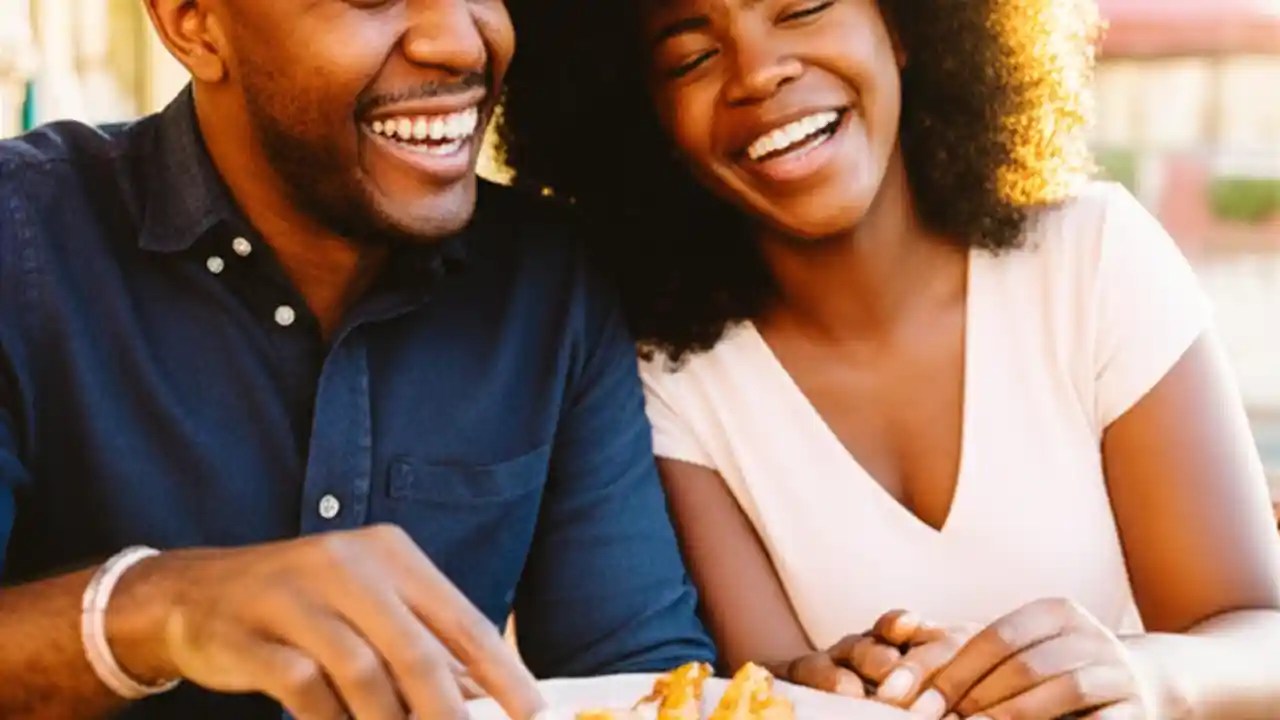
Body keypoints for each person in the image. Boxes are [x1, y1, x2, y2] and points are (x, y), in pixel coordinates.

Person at [499, 0, 1280, 717]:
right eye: (691, 59)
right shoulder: (670, 380)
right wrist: (822, 682)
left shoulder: (1094, 260)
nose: (758, 71)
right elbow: (765, 682)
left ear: (906, 26)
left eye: (801, 8)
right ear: (648, 118)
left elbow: (1258, 637)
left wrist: (1137, 676)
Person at [0, 0, 716, 717]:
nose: (459, 43)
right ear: (193, 23)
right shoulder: (21, 242)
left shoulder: (549, 287)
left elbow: (639, 680)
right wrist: (154, 609)